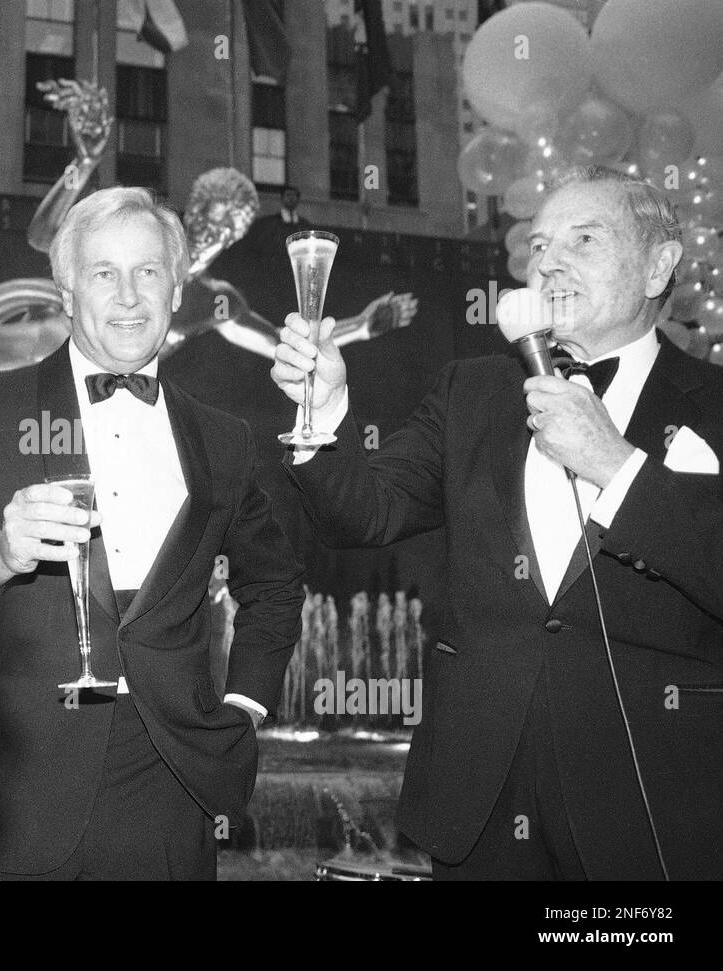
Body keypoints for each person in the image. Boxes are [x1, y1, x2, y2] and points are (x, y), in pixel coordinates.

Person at [272, 165, 723, 880]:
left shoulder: (714, 403)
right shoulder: (473, 390)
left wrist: (617, 465)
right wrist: (324, 411)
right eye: (539, 244)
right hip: (481, 795)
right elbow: (364, 512)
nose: (549, 261)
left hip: (659, 801)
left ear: (658, 265)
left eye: (583, 238)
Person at [0, 186, 303, 880]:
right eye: (103, 272)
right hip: (14, 792)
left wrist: (244, 704)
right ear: (67, 291)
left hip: (171, 795)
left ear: (177, 290)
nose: (129, 295)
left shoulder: (223, 440)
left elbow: (275, 584)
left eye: (148, 272)